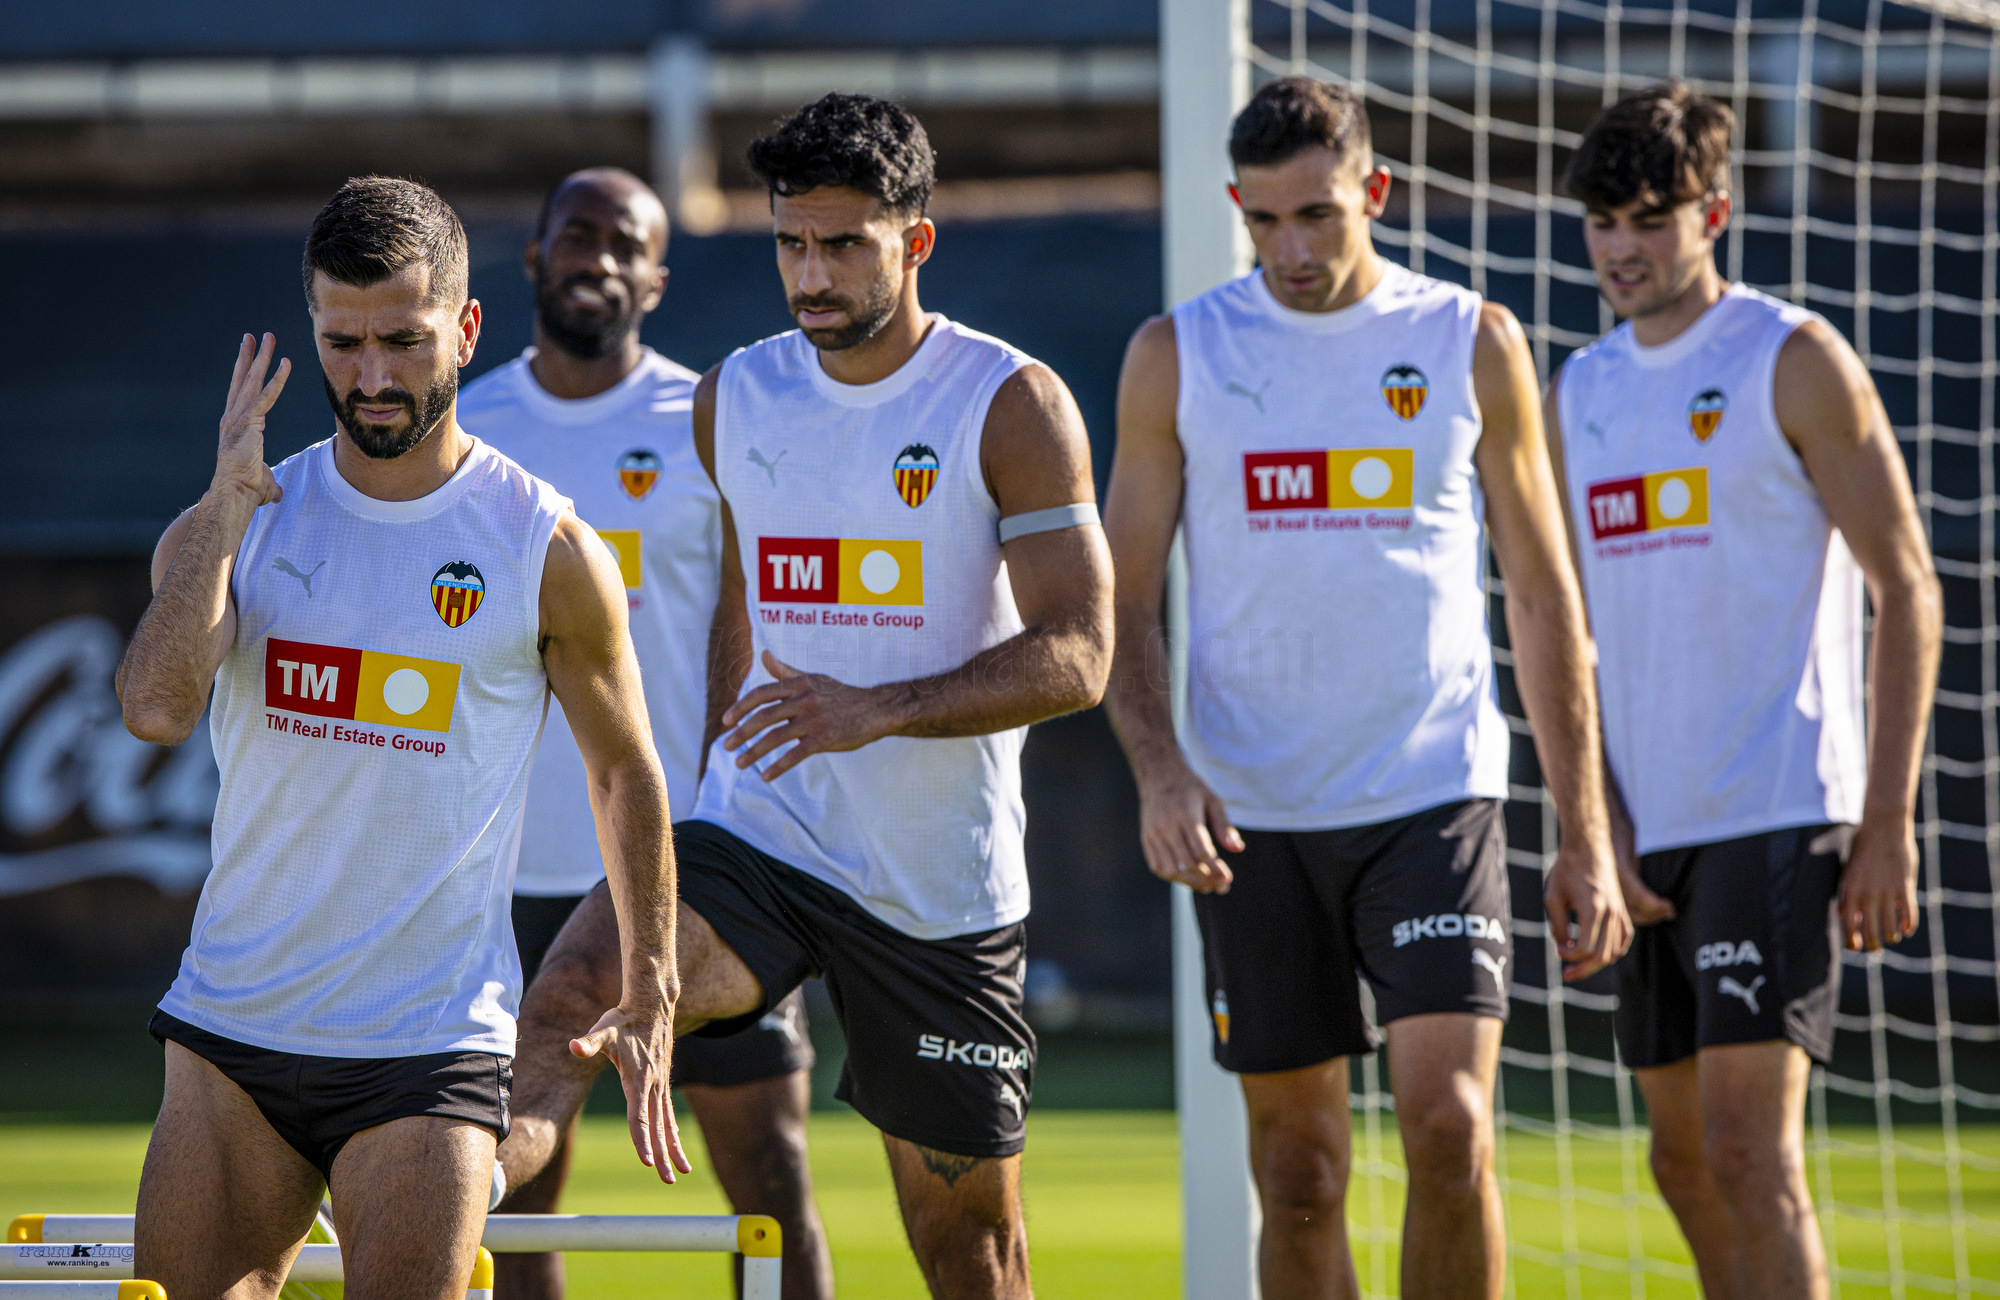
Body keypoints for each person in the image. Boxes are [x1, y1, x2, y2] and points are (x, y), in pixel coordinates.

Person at [491, 94, 1113, 1300]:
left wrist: (878, 706)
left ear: (914, 240)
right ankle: (439, 1213)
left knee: (968, 1254)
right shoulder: (738, 396)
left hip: (934, 882)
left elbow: (1080, 654)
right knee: (565, 993)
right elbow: (743, 597)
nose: (809, 275)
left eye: (841, 245)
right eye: (789, 243)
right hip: (758, 840)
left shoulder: (1009, 403)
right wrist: (728, 753)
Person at [1103, 78, 1630, 1300]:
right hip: (1249, 815)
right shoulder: (1174, 354)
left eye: (1319, 216)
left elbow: (1545, 602)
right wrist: (1159, 770)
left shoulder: (1468, 339)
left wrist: (1585, 834)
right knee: (1297, 1168)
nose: (1291, 248)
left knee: (1450, 1127)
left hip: (1429, 796)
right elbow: (1119, 601)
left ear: (1374, 194)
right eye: (1265, 219)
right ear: (1237, 208)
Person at [116, 177, 686, 1300]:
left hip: (428, 1048)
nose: (372, 377)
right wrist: (226, 512)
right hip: (233, 1030)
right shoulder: (238, 519)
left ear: (466, 330)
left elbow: (625, 767)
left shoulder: (543, 545)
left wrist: (652, 978)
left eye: (403, 341)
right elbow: (155, 707)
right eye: (342, 342)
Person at [1550, 84, 1941, 1299]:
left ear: (1711, 212)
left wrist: (1884, 823)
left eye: (1650, 217)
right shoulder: (1577, 391)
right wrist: (1593, 824)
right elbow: (1570, 635)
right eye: (1601, 219)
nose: (1621, 244)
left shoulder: (1791, 356)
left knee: (1746, 1150)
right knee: (1679, 1160)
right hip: (1642, 827)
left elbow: (1908, 588)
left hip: (1777, 803)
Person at [459, 166, 831, 1300]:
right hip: (504, 869)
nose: (597, 259)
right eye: (576, 235)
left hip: (685, 866)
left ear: (658, 278)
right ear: (531, 255)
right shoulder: (468, 424)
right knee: (520, 1186)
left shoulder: (707, 422)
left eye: (626, 245)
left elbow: (759, 617)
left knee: (768, 1173)